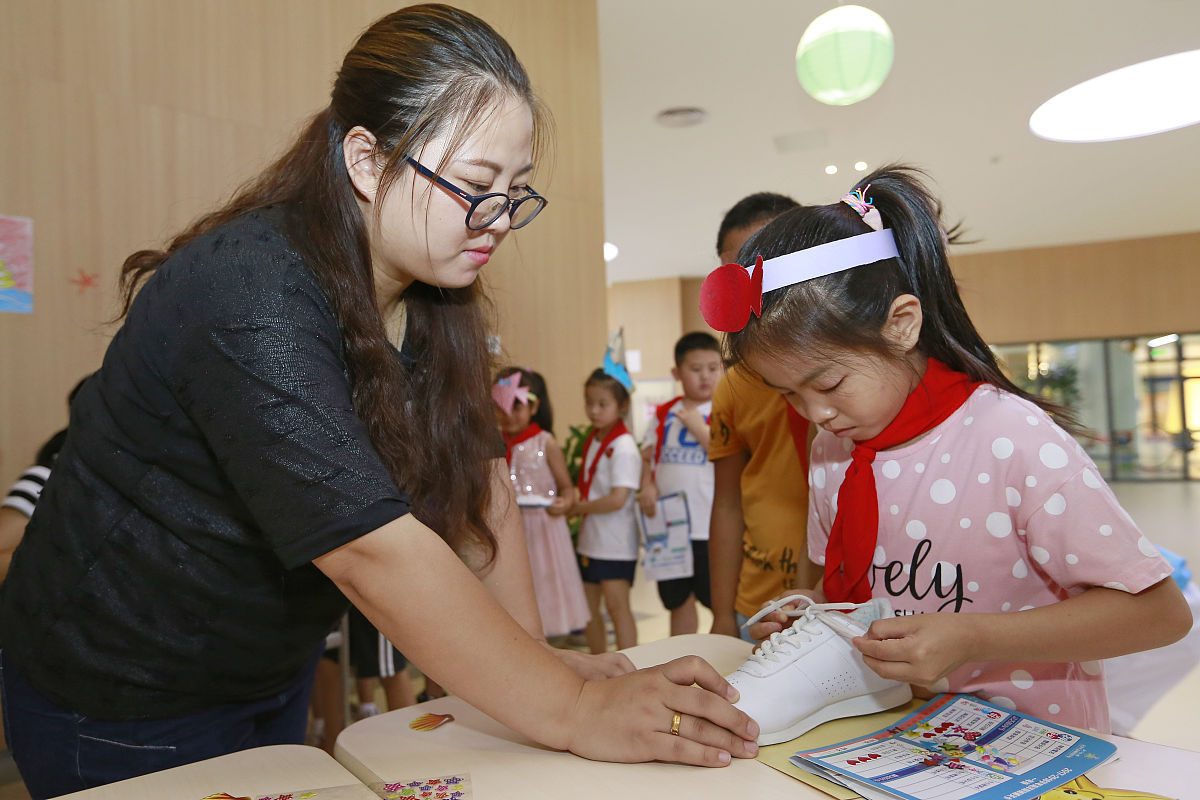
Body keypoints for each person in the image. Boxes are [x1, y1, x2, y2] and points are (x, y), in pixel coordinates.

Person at [0, 7, 757, 796]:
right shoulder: (251, 287)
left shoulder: (437, 294)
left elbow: (479, 491)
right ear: (365, 158)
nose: (496, 219)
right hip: (122, 691)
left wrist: (534, 665)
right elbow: (368, 549)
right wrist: (569, 707)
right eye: (473, 186)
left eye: (515, 193)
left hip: (263, 666)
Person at [706, 165, 1191, 732]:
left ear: (902, 325)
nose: (816, 414)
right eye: (788, 394)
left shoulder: (1010, 438)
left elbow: (1160, 613)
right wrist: (813, 611)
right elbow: (859, 590)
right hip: (892, 733)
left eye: (829, 384)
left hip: (1030, 740)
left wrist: (972, 637)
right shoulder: (832, 449)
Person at [705, 192, 821, 643]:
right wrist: (719, 616)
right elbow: (727, 504)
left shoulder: (858, 370)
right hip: (755, 609)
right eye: (733, 273)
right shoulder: (735, 385)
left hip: (836, 605)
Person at [493, 366, 590, 639]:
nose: (508, 415)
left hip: (542, 529)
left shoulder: (546, 443)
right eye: (501, 407)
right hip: (508, 526)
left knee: (543, 584)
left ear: (534, 408)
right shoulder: (492, 444)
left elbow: (567, 487)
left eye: (517, 407)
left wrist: (565, 502)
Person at [638, 333, 724, 635]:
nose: (705, 376)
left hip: (709, 526)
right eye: (696, 369)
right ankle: (680, 663)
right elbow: (648, 457)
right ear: (677, 373)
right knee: (677, 600)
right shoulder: (665, 414)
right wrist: (647, 486)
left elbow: (724, 453)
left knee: (719, 602)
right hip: (669, 526)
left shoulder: (726, 409)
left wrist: (699, 428)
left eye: (713, 368)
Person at [572, 368, 642, 654]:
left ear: (621, 405)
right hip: (591, 539)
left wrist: (579, 507)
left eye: (602, 404)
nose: (594, 410)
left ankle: (631, 666)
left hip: (615, 543)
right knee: (587, 610)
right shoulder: (595, 439)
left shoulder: (623, 446)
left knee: (617, 606)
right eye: (589, 402)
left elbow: (617, 499)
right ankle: (599, 662)